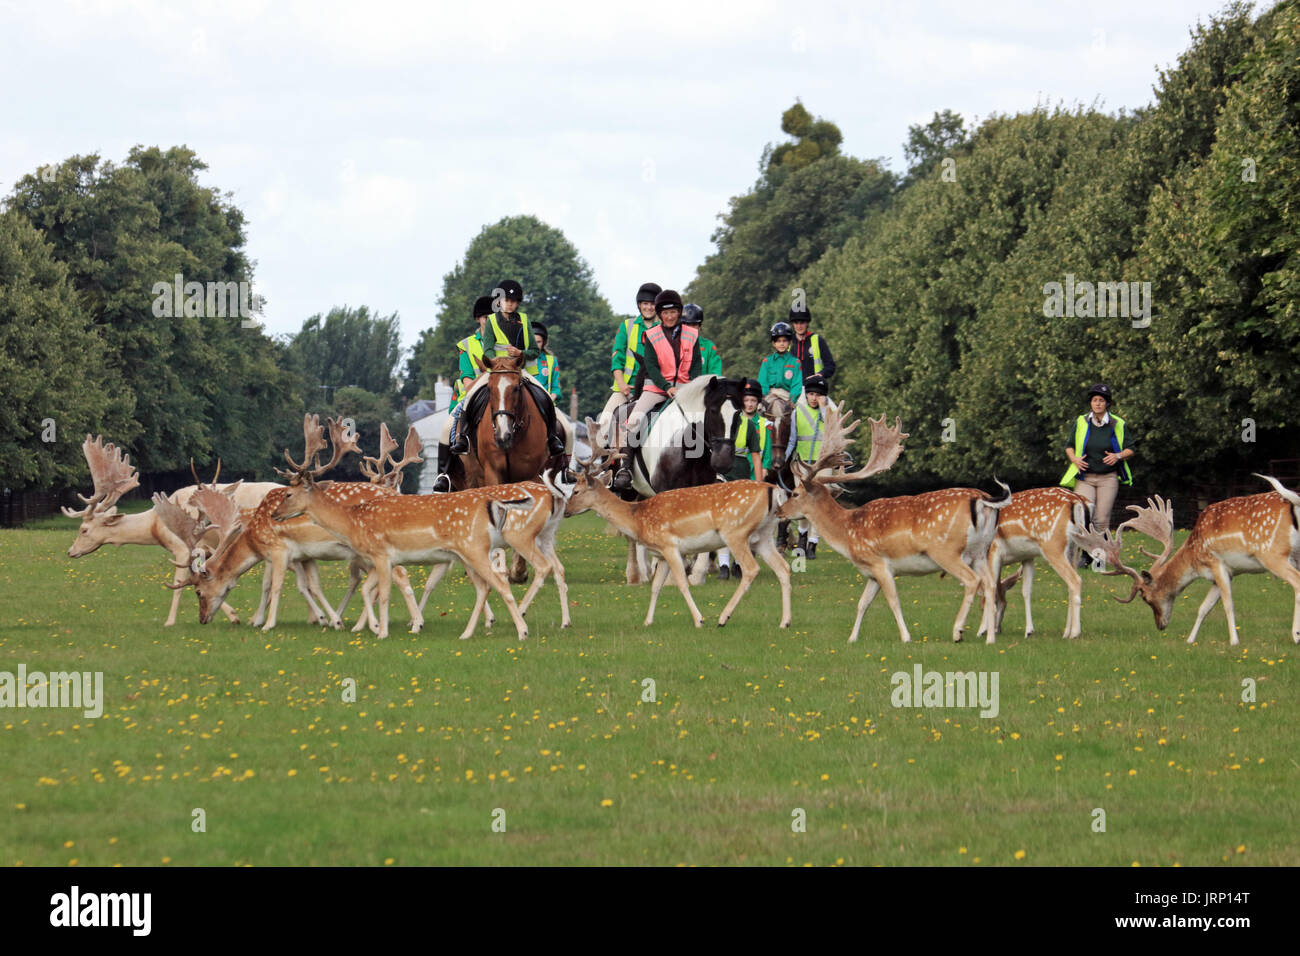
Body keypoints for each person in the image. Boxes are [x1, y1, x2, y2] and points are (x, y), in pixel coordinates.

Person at [451, 278, 565, 458]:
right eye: (506, 301)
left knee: (545, 397)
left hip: (520, 370)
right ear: (499, 302)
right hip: (497, 370)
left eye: (513, 302)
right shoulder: (492, 322)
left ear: (517, 303)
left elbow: (534, 350)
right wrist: (496, 361)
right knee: (471, 395)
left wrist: (520, 353)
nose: (510, 305)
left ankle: (552, 438)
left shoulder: (525, 320)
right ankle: (464, 436)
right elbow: (487, 347)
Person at [612, 289, 702, 490]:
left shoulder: (692, 334)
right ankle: (625, 468)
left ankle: (713, 470)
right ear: (660, 314)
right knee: (634, 419)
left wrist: (692, 387)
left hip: (686, 388)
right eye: (665, 313)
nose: (669, 316)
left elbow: (696, 364)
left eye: (673, 312)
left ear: (679, 312)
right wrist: (667, 387)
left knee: (705, 420)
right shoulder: (651, 335)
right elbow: (651, 366)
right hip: (656, 387)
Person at [1060, 382, 1135, 567]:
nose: (1098, 403)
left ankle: (1098, 561)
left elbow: (1131, 449)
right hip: (1085, 477)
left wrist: (1118, 456)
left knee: (1101, 520)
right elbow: (1069, 446)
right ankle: (1085, 555)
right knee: (1084, 517)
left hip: (1108, 478)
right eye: (1095, 400)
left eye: (1101, 400)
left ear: (1107, 404)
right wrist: (1075, 460)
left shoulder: (1118, 423)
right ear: (1091, 403)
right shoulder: (1081, 421)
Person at [433, 296, 494, 491]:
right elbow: (467, 382)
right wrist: (485, 376)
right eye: (485, 317)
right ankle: (444, 475)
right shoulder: (466, 345)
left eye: (493, 317)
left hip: (499, 393)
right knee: (447, 427)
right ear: (478, 319)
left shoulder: (505, 345)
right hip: (472, 396)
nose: (489, 320)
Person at [717, 379, 770, 580]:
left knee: (742, 522)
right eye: (745, 400)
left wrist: (758, 484)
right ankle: (723, 565)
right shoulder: (725, 420)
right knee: (722, 520)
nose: (748, 404)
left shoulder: (748, 426)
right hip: (723, 472)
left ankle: (738, 563)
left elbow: (756, 455)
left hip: (741, 471)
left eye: (751, 400)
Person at [602, 282, 661, 426]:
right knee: (604, 423)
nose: (648, 307)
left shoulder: (664, 328)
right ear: (639, 305)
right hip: (626, 389)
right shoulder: (627, 326)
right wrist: (621, 384)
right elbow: (617, 358)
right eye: (645, 303)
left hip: (655, 388)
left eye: (652, 304)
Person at [786, 375, 831, 559]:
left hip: (823, 464)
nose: (814, 397)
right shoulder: (798, 411)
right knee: (803, 502)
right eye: (811, 394)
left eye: (818, 395)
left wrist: (822, 407)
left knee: (818, 505)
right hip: (802, 463)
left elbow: (830, 429)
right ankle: (802, 538)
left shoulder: (829, 412)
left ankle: (813, 543)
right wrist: (785, 458)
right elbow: (792, 438)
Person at [758, 321, 803, 417]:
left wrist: (792, 400)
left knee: (800, 416)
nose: (781, 344)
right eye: (778, 341)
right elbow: (762, 382)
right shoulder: (767, 361)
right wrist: (764, 397)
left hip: (788, 396)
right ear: (773, 343)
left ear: (789, 342)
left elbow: (797, 384)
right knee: (757, 411)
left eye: (784, 341)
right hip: (770, 395)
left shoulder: (795, 362)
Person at [789, 303, 836, 388]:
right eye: (796, 322)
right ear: (792, 324)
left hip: (815, 389)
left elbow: (830, 366)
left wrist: (820, 375)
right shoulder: (787, 341)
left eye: (802, 322)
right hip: (792, 390)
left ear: (807, 322)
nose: (799, 326)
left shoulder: (818, 340)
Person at [682, 303, 721, 376]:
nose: (690, 329)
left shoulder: (709, 347)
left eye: (694, 324)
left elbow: (715, 374)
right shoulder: (672, 345)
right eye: (686, 324)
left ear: (700, 326)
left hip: (703, 386)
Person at [528, 322, 562, 403]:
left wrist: (550, 400)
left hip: (546, 404)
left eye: (538, 342)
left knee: (563, 416)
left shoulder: (551, 360)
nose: (535, 345)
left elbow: (556, 388)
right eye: (533, 341)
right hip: (524, 404)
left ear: (543, 343)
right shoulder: (520, 359)